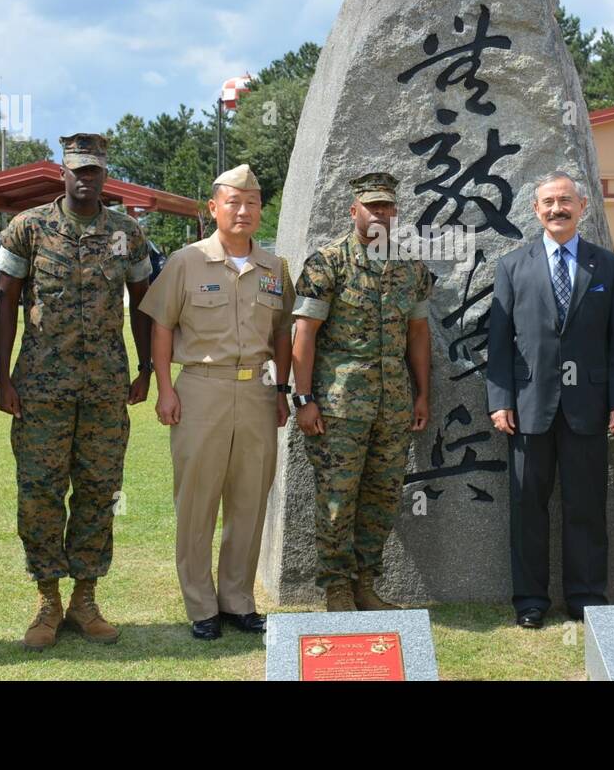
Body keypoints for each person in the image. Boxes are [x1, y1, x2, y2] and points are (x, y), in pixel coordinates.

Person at [0, 133, 153, 650]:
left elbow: (143, 301)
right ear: (63, 173)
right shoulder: (29, 227)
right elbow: (6, 303)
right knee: (39, 492)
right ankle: (47, 600)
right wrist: (2, 376)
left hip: (106, 387)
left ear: (105, 175)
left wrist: (146, 369)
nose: (86, 179)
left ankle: (85, 598)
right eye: (77, 170)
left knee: (98, 490)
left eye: (94, 171)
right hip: (41, 387)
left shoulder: (126, 231)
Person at [138, 164, 294, 640]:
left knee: (250, 498)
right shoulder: (187, 261)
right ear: (214, 208)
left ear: (261, 209)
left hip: (256, 392)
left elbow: (283, 331)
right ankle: (201, 605)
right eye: (233, 202)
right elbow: (161, 325)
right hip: (201, 388)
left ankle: (237, 600)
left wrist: (283, 389)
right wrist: (165, 388)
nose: (243, 211)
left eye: (251, 203)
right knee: (197, 501)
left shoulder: (274, 267)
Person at [486, 170, 614, 628]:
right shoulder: (512, 266)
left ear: (582, 206)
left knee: (586, 506)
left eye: (565, 201)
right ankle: (530, 600)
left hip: (590, 409)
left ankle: (586, 596)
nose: (557, 209)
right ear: (536, 210)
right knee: (528, 507)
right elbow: (499, 342)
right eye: (548, 201)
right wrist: (500, 399)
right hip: (528, 408)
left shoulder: (608, 266)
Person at [291, 171, 432, 612]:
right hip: (337, 409)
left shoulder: (411, 268)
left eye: (388, 207)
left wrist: (422, 394)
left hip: (392, 407)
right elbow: (305, 334)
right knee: (336, 498)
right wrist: (303, 398)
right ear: (354, 210)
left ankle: (366, 584)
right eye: (373, 206)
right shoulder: (327, 263)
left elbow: (418, 335)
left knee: (382, 498)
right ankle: (336, 587)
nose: (381, 214)